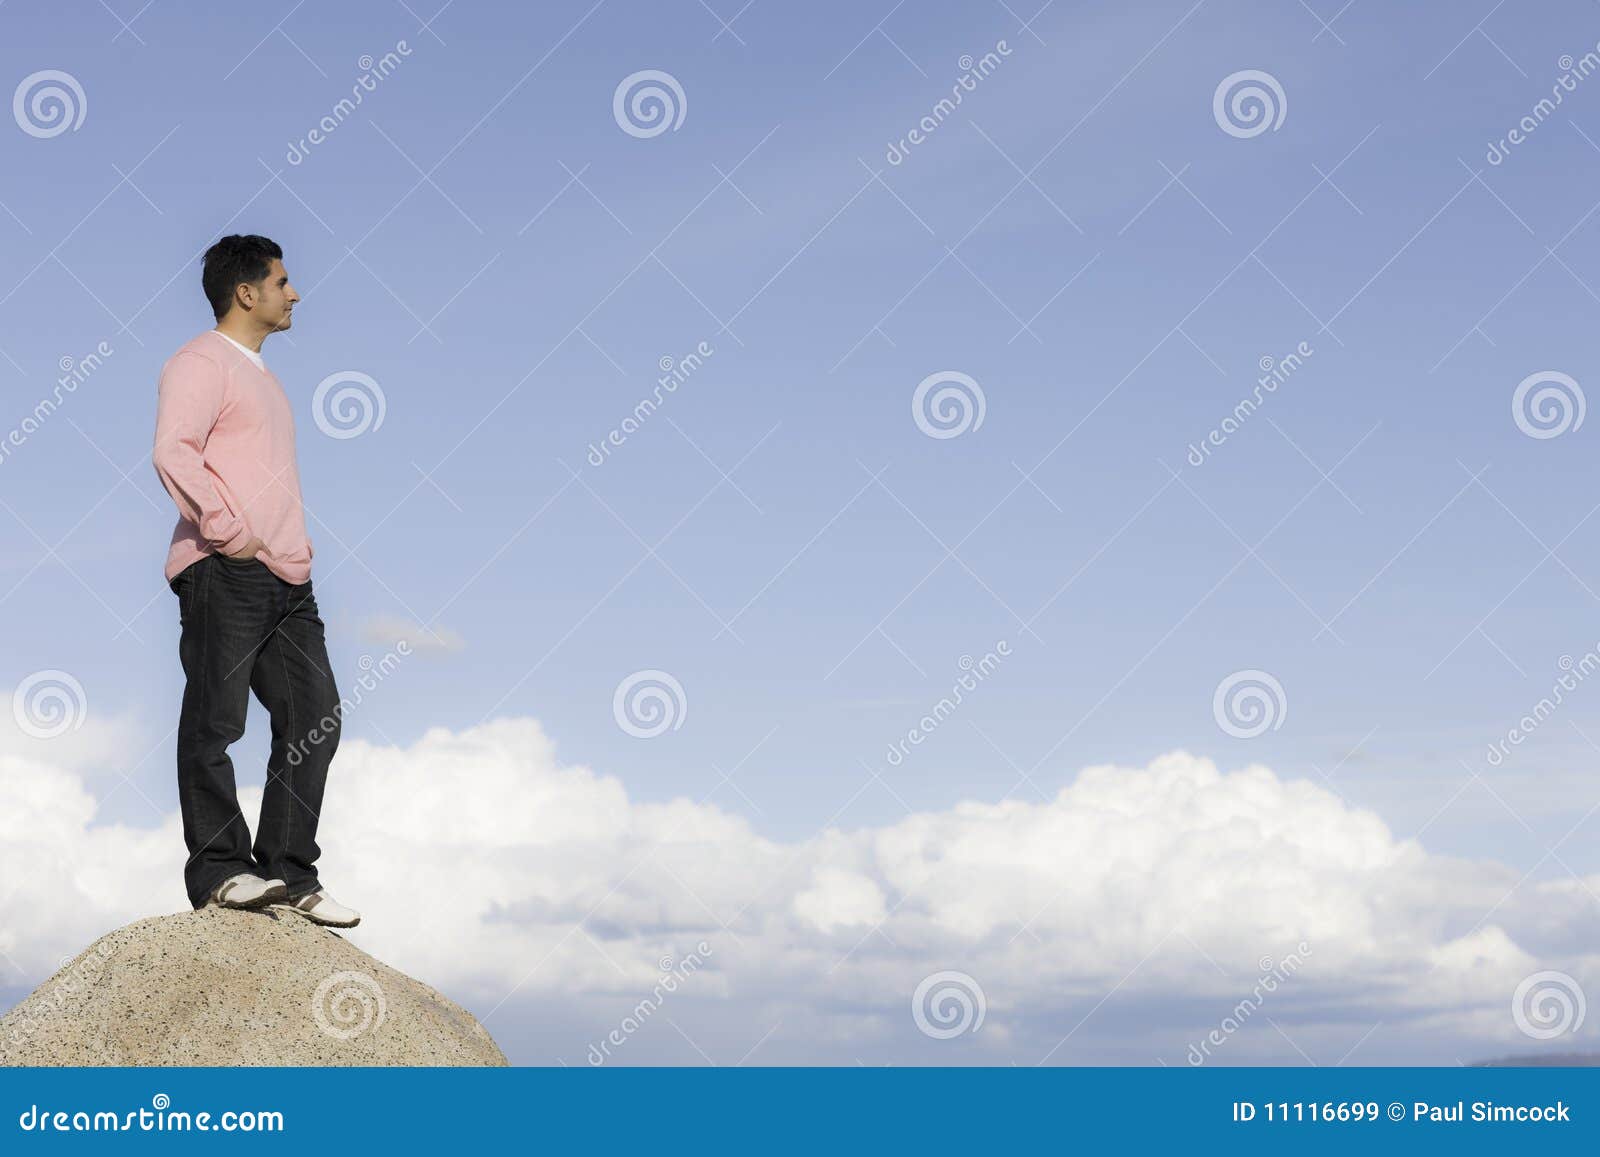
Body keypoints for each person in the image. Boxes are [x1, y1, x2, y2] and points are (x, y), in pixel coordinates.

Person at [151, 234, 359, 928]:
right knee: (216, 719)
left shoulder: (264, 379)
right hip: (223, 567)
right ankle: (219, 870)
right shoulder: (200, 362)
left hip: (286, 580)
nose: (293, 293)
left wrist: (289, 549)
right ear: (247, 292)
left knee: (315, 718)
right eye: (282, 280)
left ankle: (288, 871)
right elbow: (172, 450)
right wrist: (230, 533)